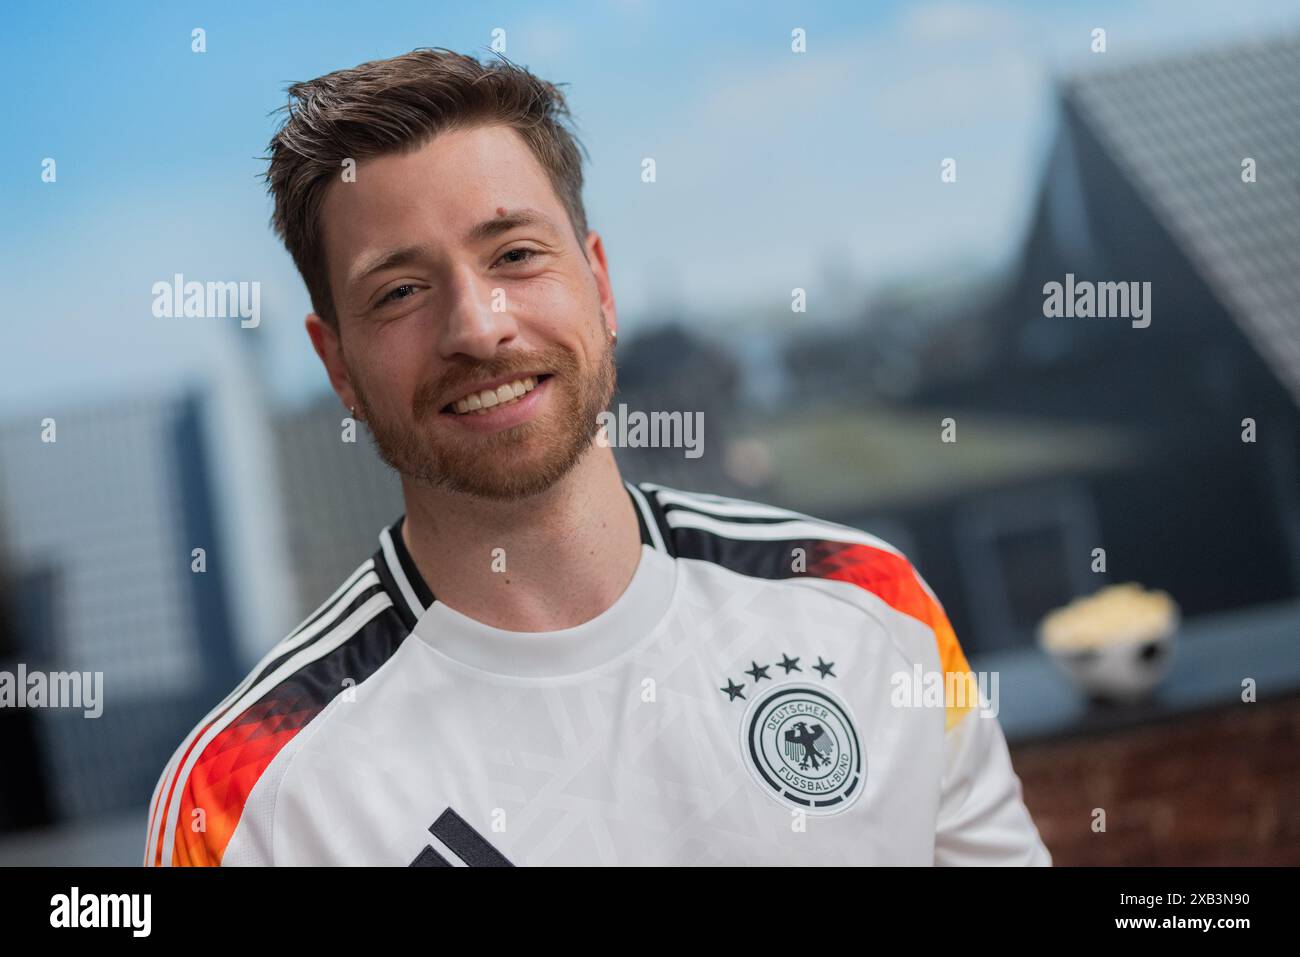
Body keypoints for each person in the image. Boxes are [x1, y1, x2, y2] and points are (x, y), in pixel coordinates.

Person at [145, 48, 1050, 867]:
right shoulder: (241, 801)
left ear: (602, 284)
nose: (478, 325)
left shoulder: (865, 601)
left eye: (515, 252)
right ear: (338, 364)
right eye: (402, 290)